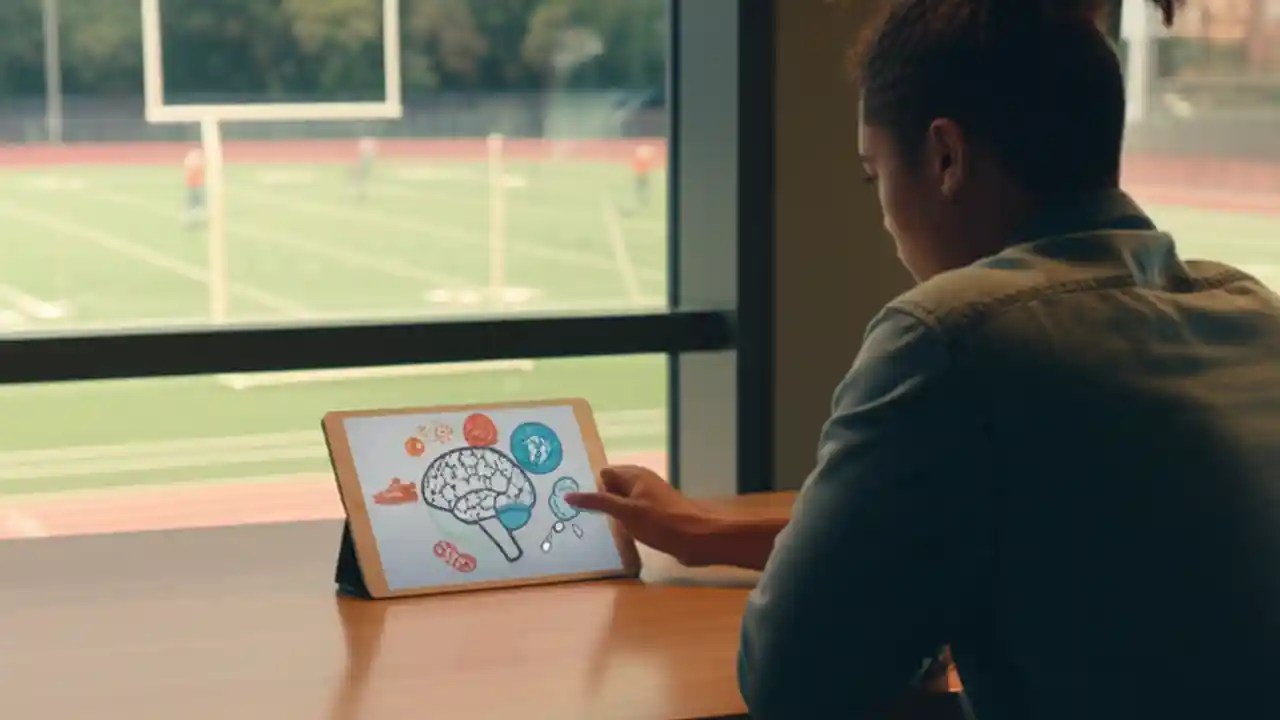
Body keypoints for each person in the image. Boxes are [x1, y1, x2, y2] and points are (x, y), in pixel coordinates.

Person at [567, 1, 1280, 718]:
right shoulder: (1253, 313)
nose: (882, 215)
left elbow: (793, 678)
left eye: (872, 174)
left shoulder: (949, 340)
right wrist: (707, 534)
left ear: (945, 157)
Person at [182, 148, 206, 227]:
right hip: (195, 185)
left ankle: (193, 216)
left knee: (195, 202)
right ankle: (192, 216)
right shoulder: (195, 162)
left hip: (195, 184)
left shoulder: (191, 161)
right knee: (194, 202)